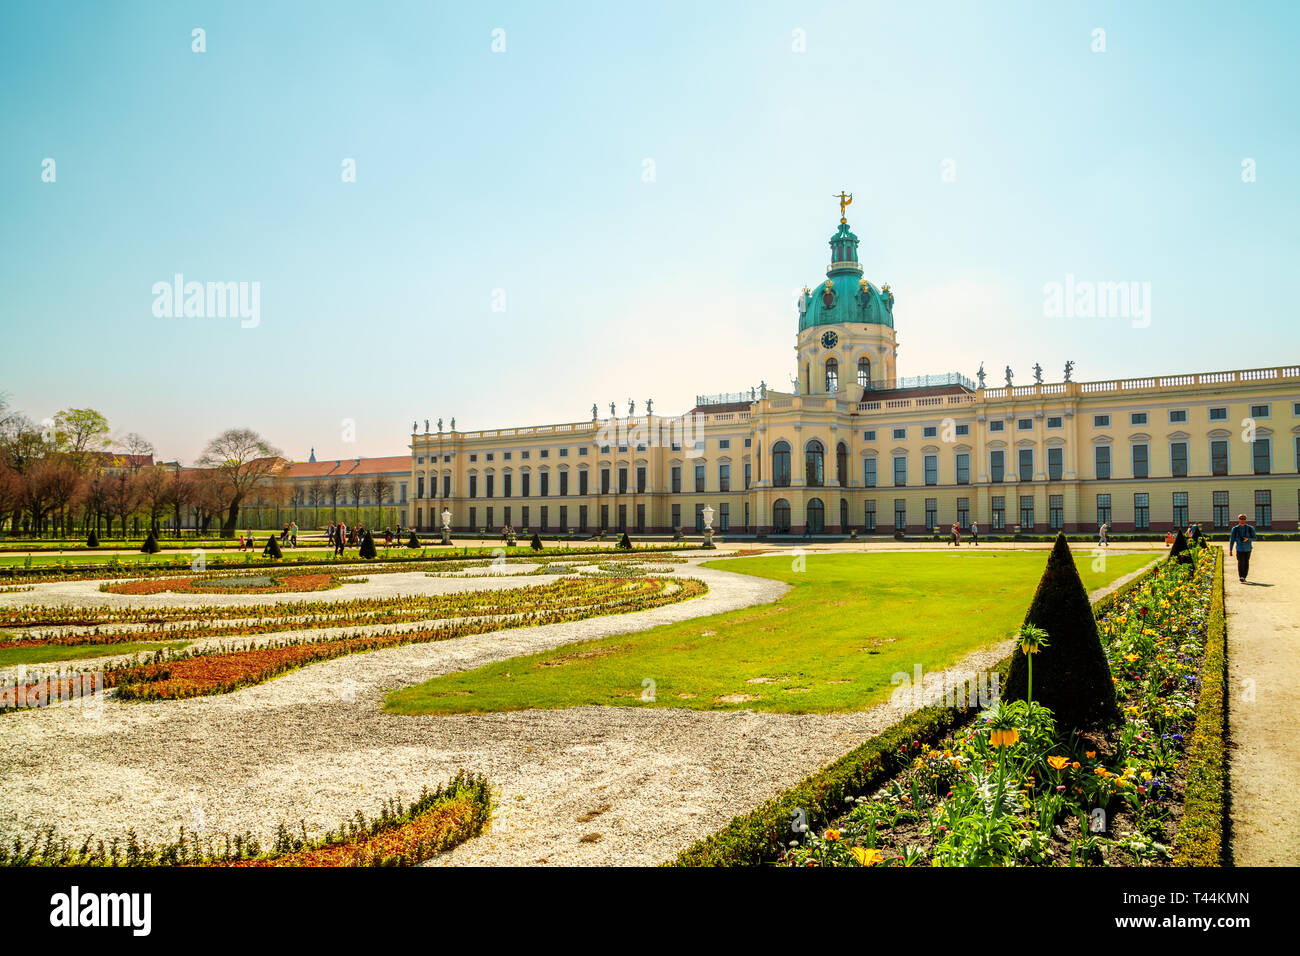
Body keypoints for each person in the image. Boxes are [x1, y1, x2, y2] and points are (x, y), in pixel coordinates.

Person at [1228, 513, 1257, 583]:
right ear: (1238, 519)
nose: (1242, 520)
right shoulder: (1235, 529)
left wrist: (1248, 539)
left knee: (1246, 562)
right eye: (1241, 518)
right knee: (1240, 562)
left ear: (1246, 520)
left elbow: (1255, 538)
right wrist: (1230, 550)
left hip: (1248, 548)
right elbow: (1232, 539)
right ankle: (1241, 576)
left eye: (1244, 518)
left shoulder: (1250, 528)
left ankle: (1244, 576)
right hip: (1239, 548)